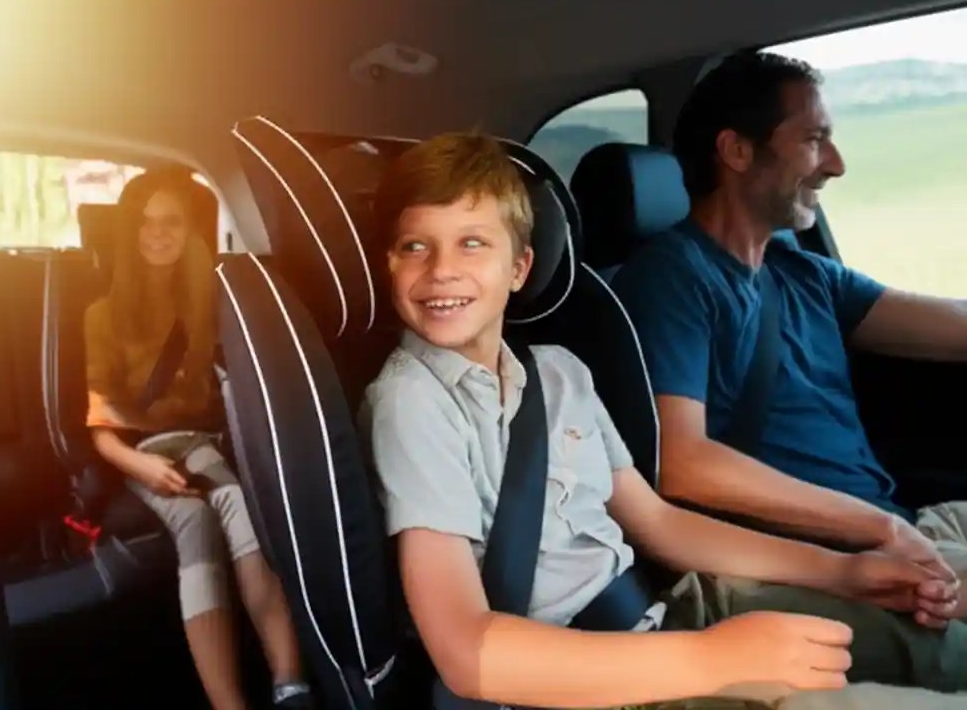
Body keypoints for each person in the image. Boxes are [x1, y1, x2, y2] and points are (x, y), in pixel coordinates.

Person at [359, 131, 960, 709]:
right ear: (390, 264)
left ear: (519, 269)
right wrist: (713, 661)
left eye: (472, 243)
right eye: (416, 246)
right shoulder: (411, 403)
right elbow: (467, 652)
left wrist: (844, 573)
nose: (440, 269)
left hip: (670, 617)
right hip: (593, 679)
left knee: (940, 646)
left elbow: (658, 522)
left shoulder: (558, 373)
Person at [610, 50, 967, 691]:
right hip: (806, 559)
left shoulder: (800, 271)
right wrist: (875, 528)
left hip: (893, 530)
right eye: (813, 139)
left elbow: (951, 326)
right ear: (737, 151)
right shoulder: (672, 279)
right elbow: (680, 461)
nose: (836, 164)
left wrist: (889, 529)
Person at [84, 167, 311, 709]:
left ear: (191, 230)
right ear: (127, 231)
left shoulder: (214, 298)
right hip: (143, 450)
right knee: (195, 521)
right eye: (144, 223)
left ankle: (290, 683)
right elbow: (101, 426)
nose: (157, 233)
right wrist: (138, 468)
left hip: (208, 441)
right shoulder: (103, 315)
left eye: (171, 222)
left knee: (237, 502)